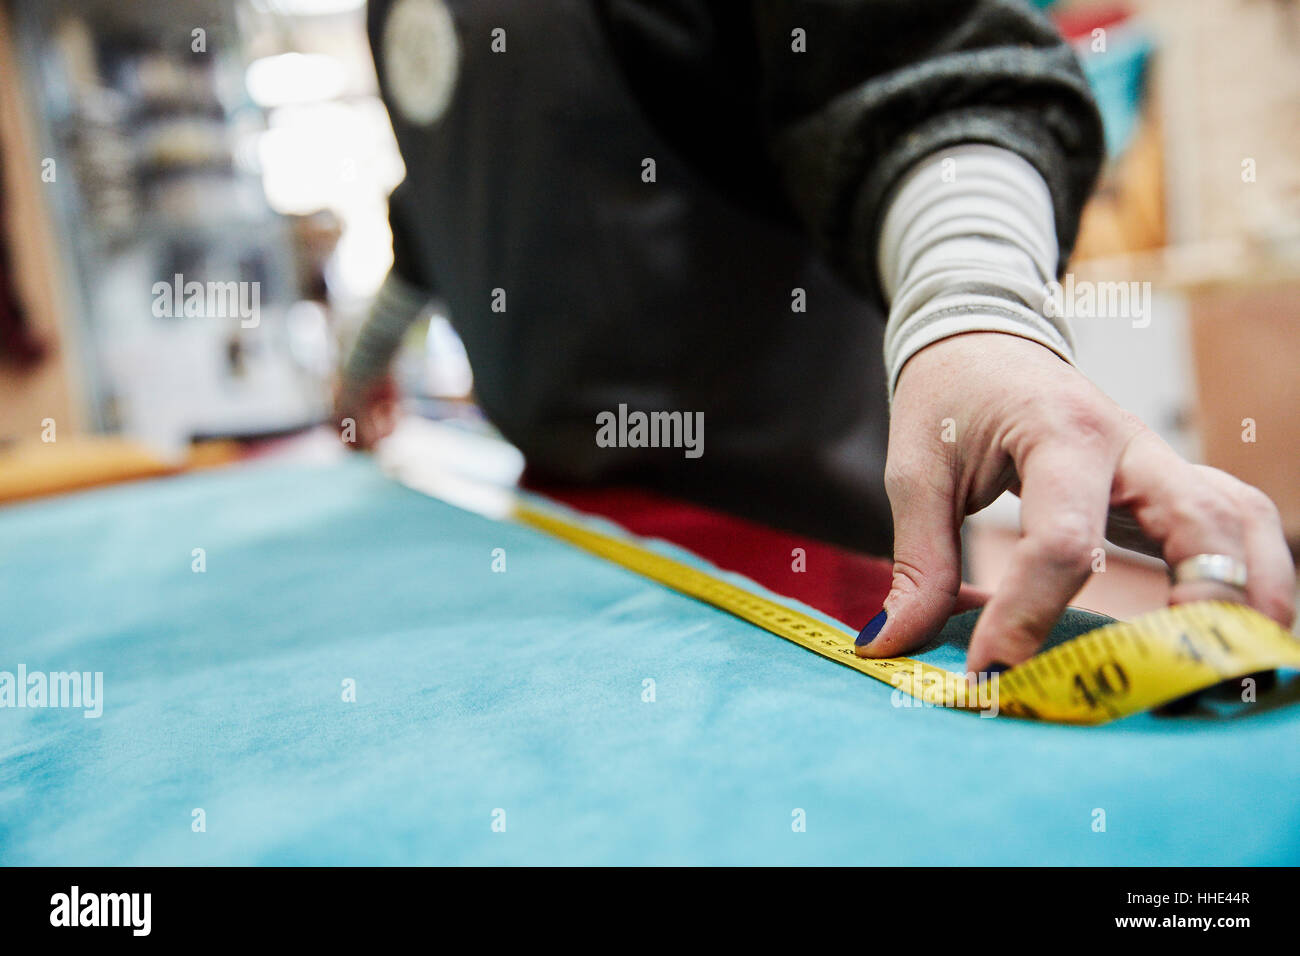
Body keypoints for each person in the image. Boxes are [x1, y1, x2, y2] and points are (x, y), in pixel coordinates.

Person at [337, 0, 1295, 673]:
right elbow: (436, 210)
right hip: (556, 537)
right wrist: (366, 363)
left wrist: (979, 314)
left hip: (806, 564)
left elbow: (925, 66)